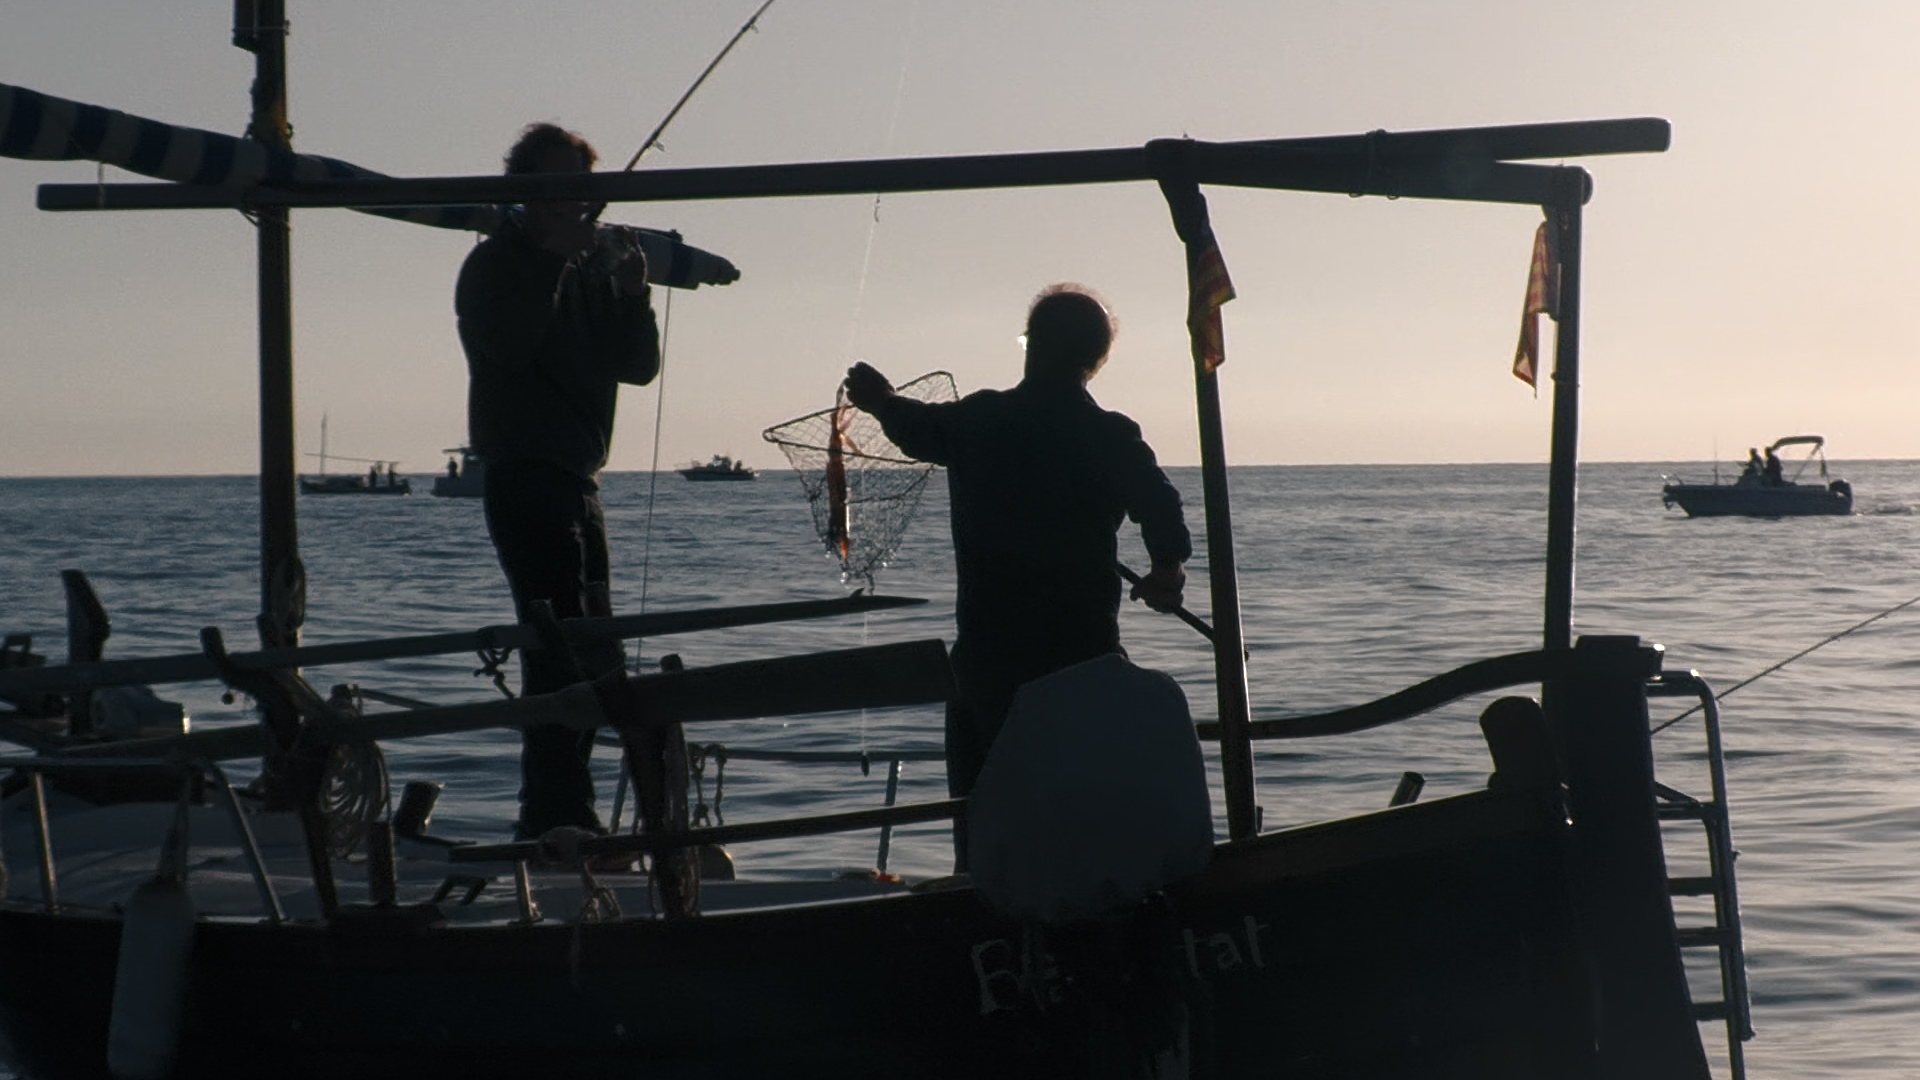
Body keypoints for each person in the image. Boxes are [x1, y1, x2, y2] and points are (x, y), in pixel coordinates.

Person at [843, 284, 1192, 870]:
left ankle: (984, 916)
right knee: (1078, 826)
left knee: (983, 823)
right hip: (1080, 663)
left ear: (1029, 346)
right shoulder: (1109, 434)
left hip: (986, 663)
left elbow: (915, 427)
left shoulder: (978, 419)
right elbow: (1161, 508)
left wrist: (880, 400)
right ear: (1096, 360)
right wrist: (1166, 572)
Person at [455, 122, 660, 840]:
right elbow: (506, 348)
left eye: (580, 190)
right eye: (554, 190)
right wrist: (549, 258)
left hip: (580, 479)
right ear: (523, 195)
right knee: (556, 648)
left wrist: (633, 294)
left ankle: (566, 810)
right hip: (523, 476)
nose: (573, 205)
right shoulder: (493, 268)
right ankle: (550, 815)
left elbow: (636, 366)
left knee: (595, 646)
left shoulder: (588, 271)